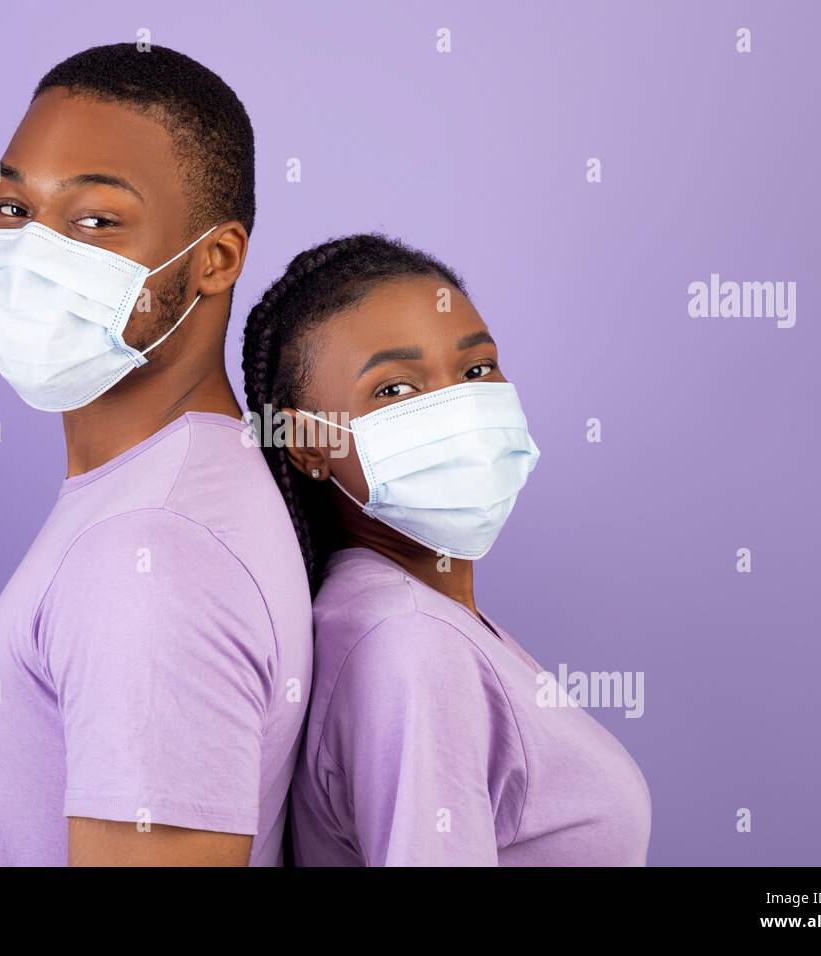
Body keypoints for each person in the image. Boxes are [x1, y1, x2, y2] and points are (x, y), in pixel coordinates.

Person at [0, 45, 312, 866]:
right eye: (12, 208)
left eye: (96, 221)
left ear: (215, 260)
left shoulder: (154, 556)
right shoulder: (153, 497)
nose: (32, 253)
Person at [240, 233, 651, 865]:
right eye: (395, 390)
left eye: (477, 370)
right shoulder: (411, 644)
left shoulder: (411, 620)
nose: (458, 405)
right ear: (306, 444)